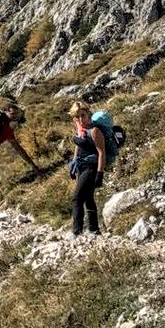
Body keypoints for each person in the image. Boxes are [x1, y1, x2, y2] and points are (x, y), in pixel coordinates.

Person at [67, 100, 108, 236]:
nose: (80, 119)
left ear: (88, 114)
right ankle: (94, 229)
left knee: (77, 198)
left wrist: (99, 174)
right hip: (81, 166)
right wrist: (73, 164)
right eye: (77, 116)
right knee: (88, 198)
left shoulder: (94, 131)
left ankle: (76, 232)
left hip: (91, 168)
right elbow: (78, 146)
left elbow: (102, 153)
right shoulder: (80, 130)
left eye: (82, 115)